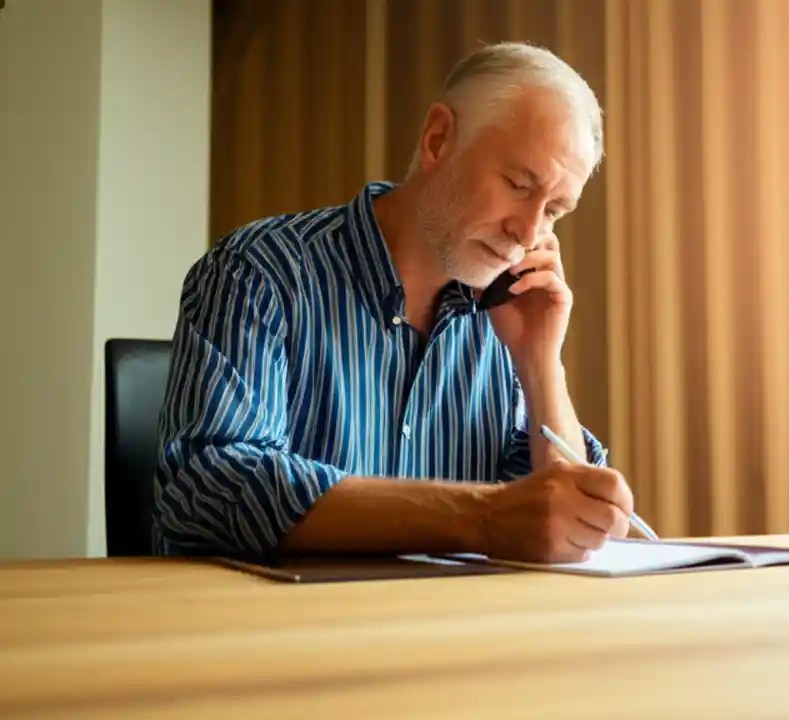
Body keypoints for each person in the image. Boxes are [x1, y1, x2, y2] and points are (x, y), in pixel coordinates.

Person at [153, 42, 633, 563]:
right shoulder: (260, 271)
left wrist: (541, 364)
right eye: (519, 184)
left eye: (556, 210)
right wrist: (479, 517)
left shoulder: (507, 313)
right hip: (278, 634)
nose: (527, 230)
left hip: (447, 635)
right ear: (438, 140)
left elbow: (556, 518)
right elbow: (206, 487)